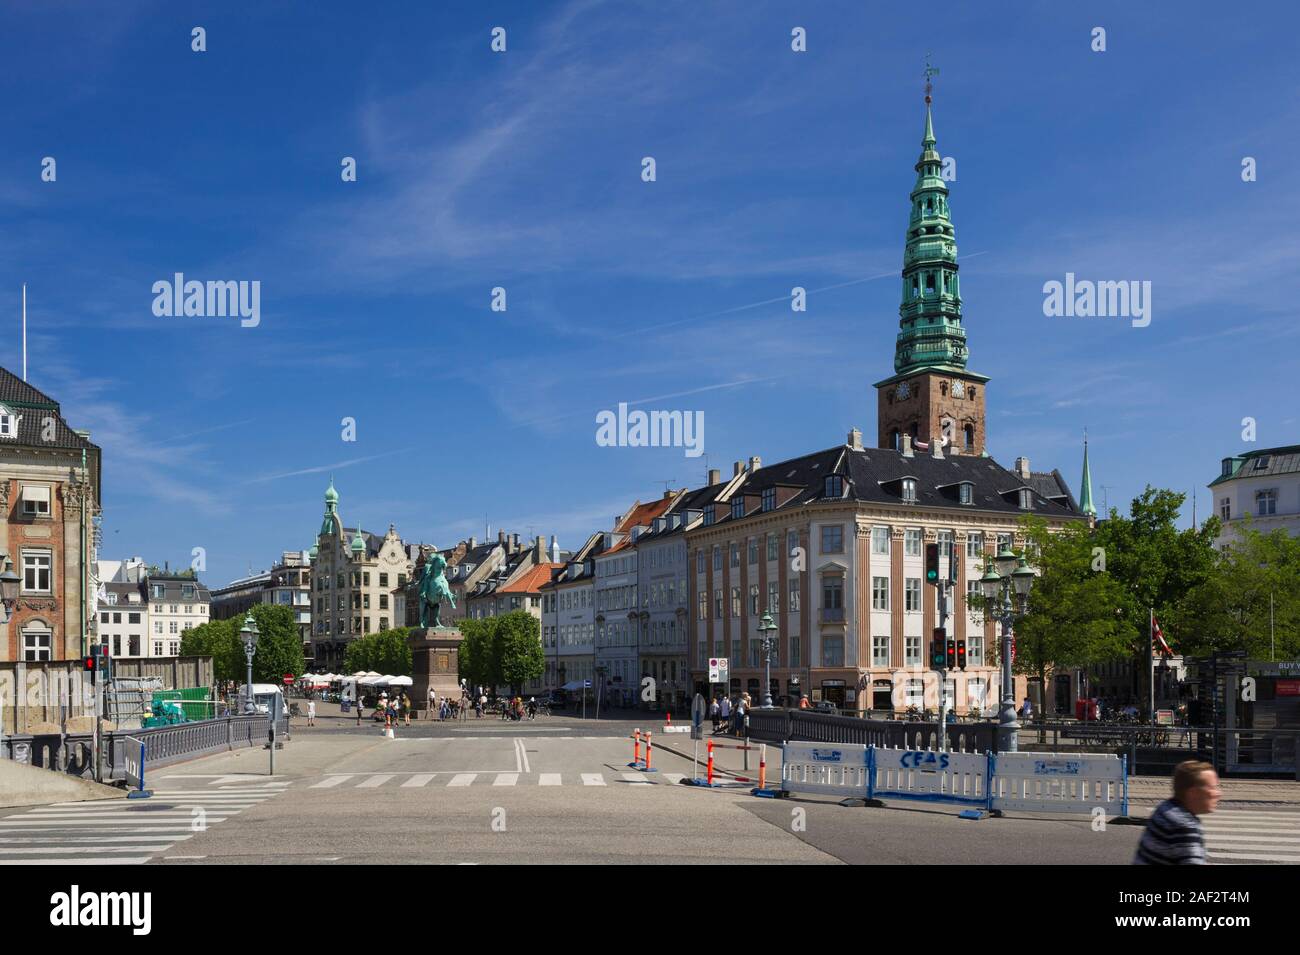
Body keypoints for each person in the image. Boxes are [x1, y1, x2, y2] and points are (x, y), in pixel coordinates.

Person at [1134, 761, 1220, 865]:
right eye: (1212, 787)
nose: (1218, 793)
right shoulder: (1184, 827)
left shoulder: (1165, 808)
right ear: (1193, 793)